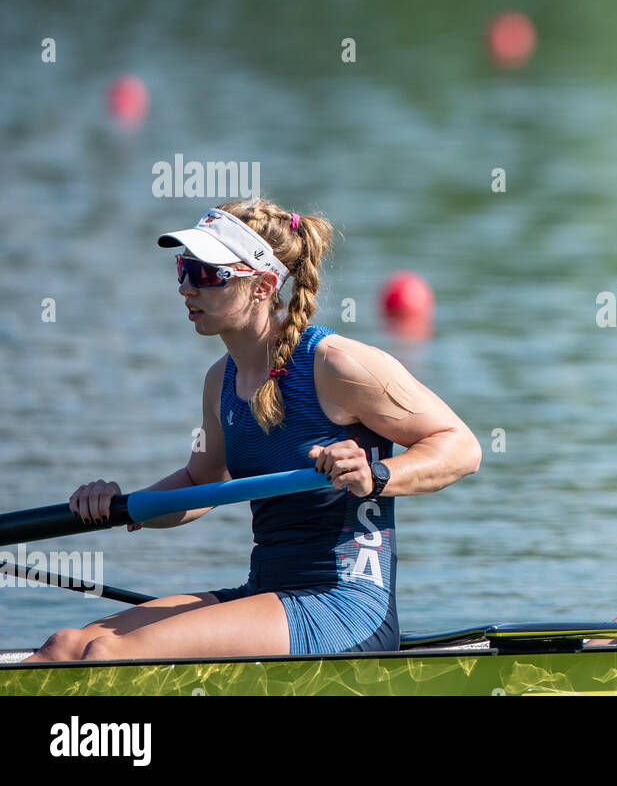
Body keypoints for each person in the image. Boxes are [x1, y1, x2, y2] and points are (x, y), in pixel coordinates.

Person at [27, 201, 480, 661]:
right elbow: (200, 483)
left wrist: (377, 476)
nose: (185, 287)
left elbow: (460, 447)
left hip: (345, 608)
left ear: (262, 285)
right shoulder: (219, 381)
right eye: (184, 268)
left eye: (206, 274)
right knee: (63, 646)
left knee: (108, 653)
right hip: (266, 590)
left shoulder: (337, 366)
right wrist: (122, 506)